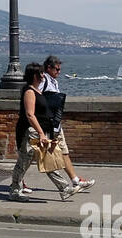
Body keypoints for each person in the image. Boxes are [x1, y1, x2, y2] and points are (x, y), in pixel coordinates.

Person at [10, 62, 67, 201]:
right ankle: (14, 191)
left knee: (47, 158)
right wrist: (41, 132)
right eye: (41, 73)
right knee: (23, 163)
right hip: (30, 132)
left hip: (39, 132)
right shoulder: (29, 91)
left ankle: (64, 188)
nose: (43, 75)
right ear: (35, 76)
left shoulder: (38, 91)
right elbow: (30, 115)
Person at [38, 55, 92, 193]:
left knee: (64, 151)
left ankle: (75, 180)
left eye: (60, 69)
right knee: (31, 156)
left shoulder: (53, 82)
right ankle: (18, 182)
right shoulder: (43, 80)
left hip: (55, 123)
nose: (59, 72)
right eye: (57, 69)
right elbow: (35, 98)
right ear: (48, 68)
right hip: (45, 124)